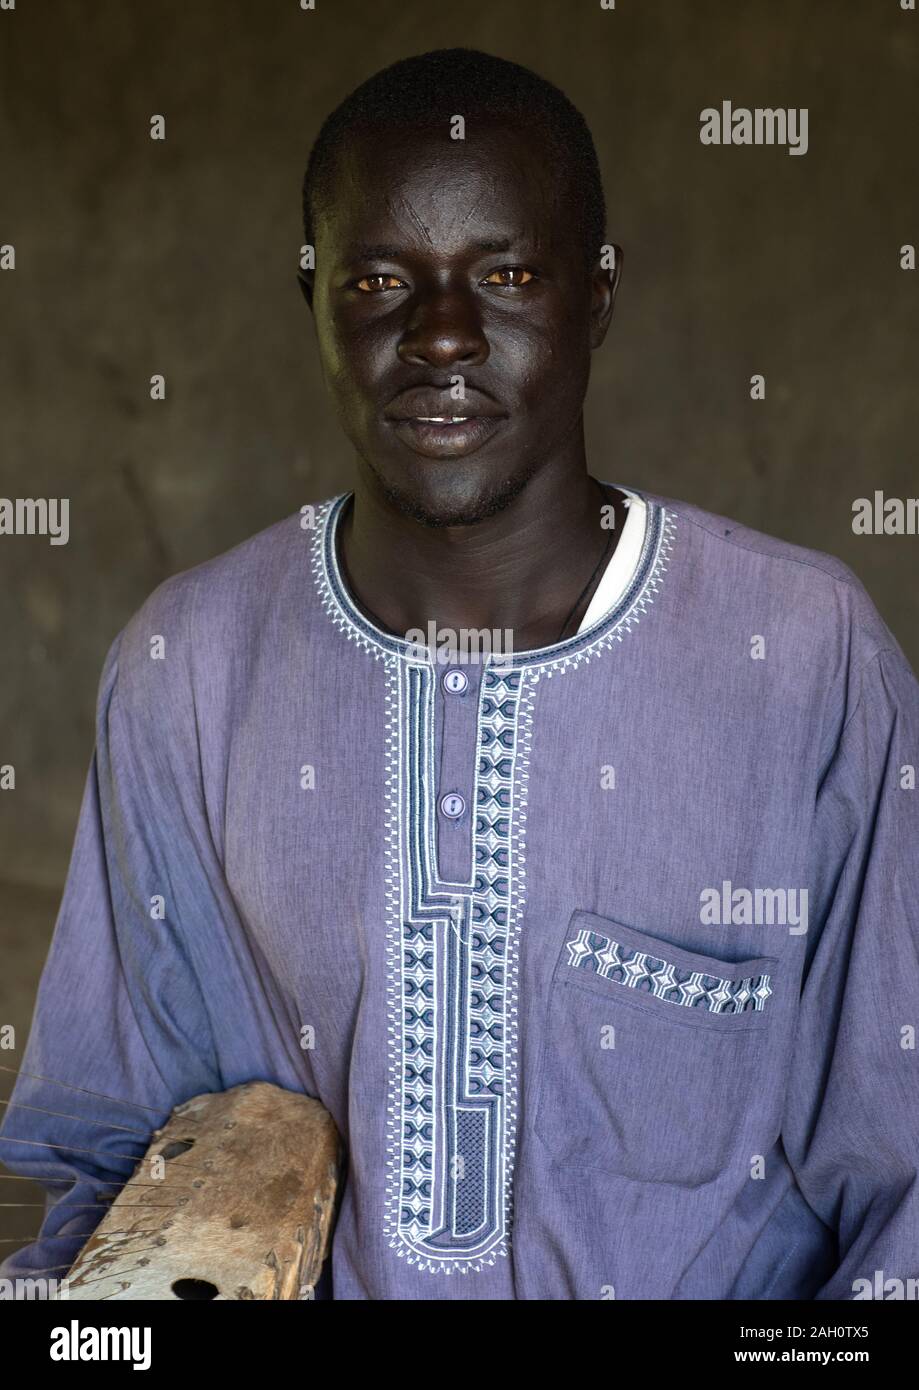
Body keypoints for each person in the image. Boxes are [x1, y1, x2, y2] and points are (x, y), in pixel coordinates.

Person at [1, 47, 917, 1301]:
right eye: (381, 278)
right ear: (313, 293)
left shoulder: (807, 657)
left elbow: (902, 1190)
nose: (440, 335)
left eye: (506, 273)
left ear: (594, 295)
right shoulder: (186, 669)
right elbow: (97, 1165)